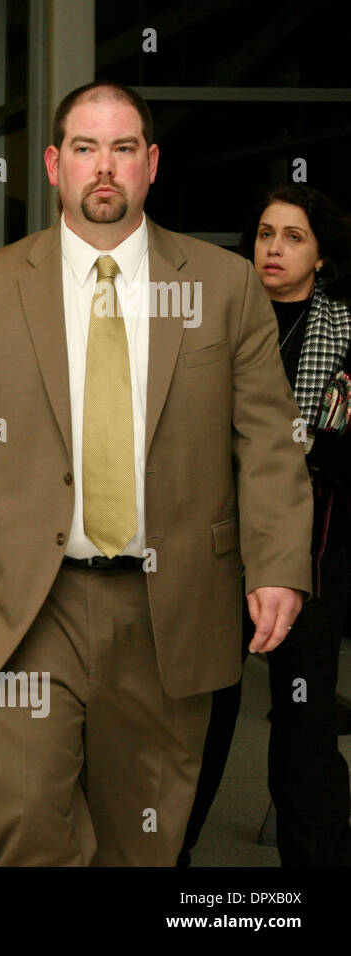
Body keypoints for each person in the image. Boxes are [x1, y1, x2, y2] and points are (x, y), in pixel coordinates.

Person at [0, 81, 313, 866]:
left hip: (171, 604)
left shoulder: (224, 287)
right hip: (26, 601)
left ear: (151, 164)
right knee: (23, 819)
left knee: (143, 840)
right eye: (86, 149)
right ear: (56, 164)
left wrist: (278, 566)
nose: (105, 168)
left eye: (123, 149)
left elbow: (267, 441)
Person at [181, 184, 351, 867]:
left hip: (311, 546)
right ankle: (172, 850)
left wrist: (278, 448)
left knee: (304, 716)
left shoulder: (343, 332)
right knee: (203, 711)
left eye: (293, 236)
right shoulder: (215, 324)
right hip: (216, 541)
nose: (274, 248)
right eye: (264, 234)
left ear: (321, 258)